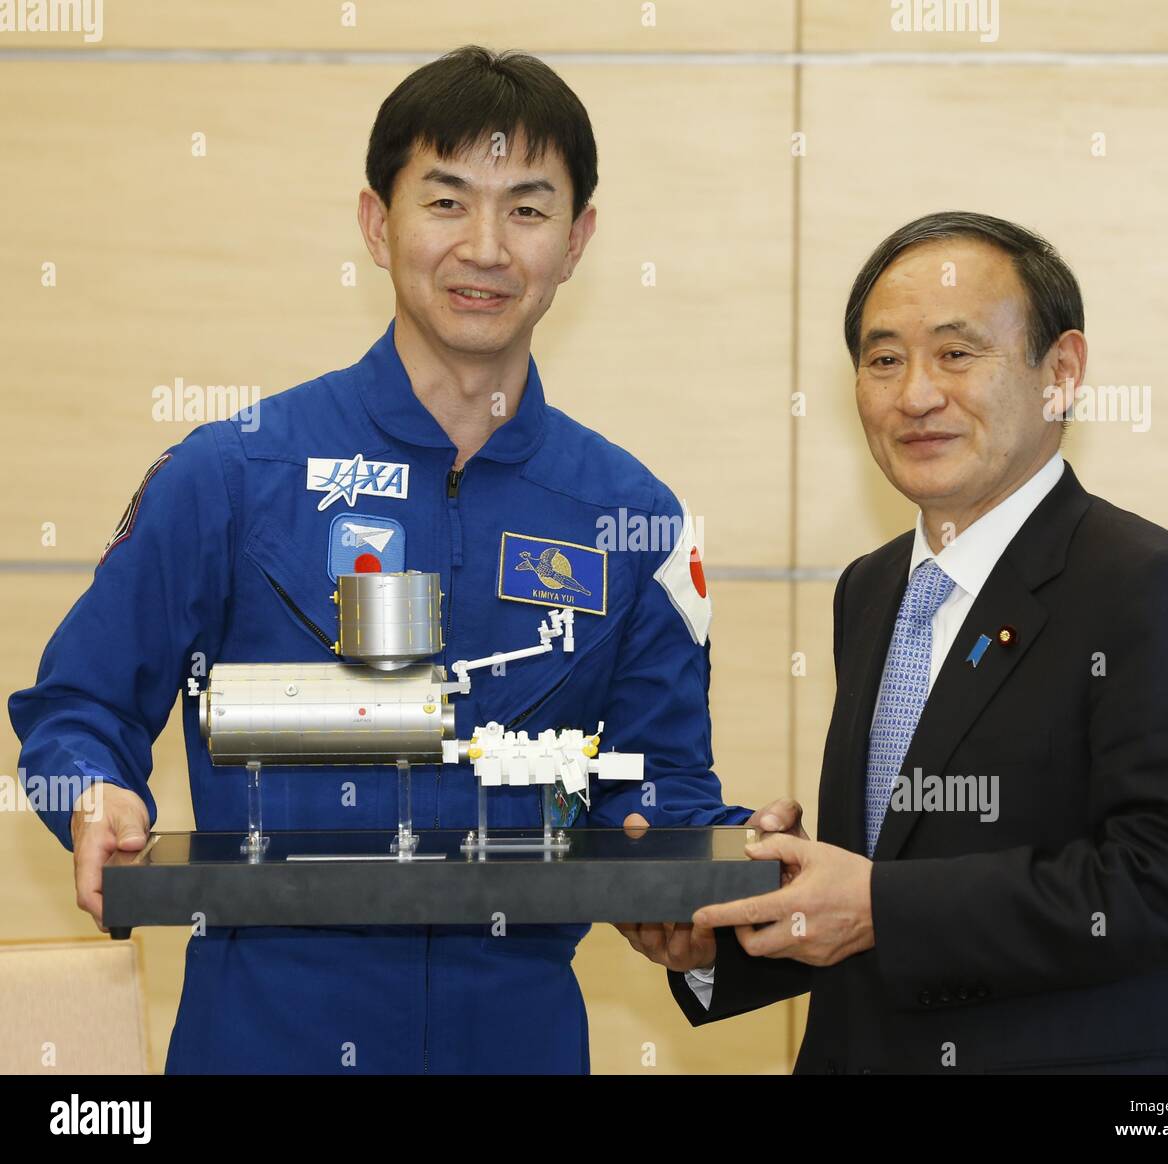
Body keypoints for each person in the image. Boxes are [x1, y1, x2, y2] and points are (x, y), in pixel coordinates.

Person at [9, 45, 758, 1075]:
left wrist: (724, 863)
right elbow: (74, 711)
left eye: (528, 209)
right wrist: (91, 795)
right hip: (261, 1035)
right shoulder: (229, 473)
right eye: (446, 201)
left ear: (579, 240)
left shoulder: (634, 517)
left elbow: (654, 786)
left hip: (520, 1038)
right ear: (377, 222)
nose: (485, 247)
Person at [625, 211, 1168, 1075]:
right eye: (884, 359)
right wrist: (724, 939)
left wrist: (882, 903)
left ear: (1061, 372)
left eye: (957, 354)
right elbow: (888, 877)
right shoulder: (873, 586)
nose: (916, 394)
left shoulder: (1150, 588)